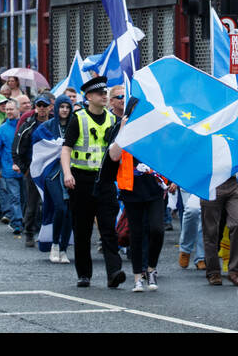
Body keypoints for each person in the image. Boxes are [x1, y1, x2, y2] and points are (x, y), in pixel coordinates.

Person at [61, 75, 125, 289]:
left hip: (105, 180)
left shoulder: (113, 120)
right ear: (88, 97)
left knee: (108, 228)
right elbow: (66, 148)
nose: (104, 96)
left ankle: (114, 272)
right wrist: (67, 173)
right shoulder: (78, 118)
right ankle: (84, 274)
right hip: (81, 180)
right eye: (100, 93)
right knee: (83, 229)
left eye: (105, 93)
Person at [118, 138, 171, 292]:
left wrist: (172, 179)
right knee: (136, 233)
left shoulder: (156, 127)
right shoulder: (124, 128)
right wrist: (122, 130)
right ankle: (137, 277)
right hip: (131, 189)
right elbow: (114, 156)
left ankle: (151, 268)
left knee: (157, 230)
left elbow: (169, 152)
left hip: (155, 188)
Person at [13, 93, 53, 247]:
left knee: (52, 203)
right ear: (35, 108)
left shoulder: (56, 124)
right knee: (32, 204)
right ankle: (29, 233)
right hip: (33, 171)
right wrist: (25, 169)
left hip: (52, 170)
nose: (42, 109)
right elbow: (16, 149)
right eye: (39, 105)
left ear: (50, 107)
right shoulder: (28, 126)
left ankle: (48, 233)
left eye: (45, 105)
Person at [42, 96, 75, 263]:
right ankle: (54, 245)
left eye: (67, 107)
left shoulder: (74, 125)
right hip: (53, 173)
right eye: (61, 107)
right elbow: (38, 145)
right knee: (60, 208)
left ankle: (63, 249)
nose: (64, 110)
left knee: (70, 212)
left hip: (71, 172)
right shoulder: (47, 126)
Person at [0, 99, 23, 234]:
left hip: (24, 169)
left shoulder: (24, 126)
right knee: (14, 197)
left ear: (18, 110)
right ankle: (17, 223)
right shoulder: (2, 129)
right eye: (7, 109)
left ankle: (24, 220)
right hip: (9, 169)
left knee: (25, 198)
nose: (9, 112)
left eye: (11, 109)